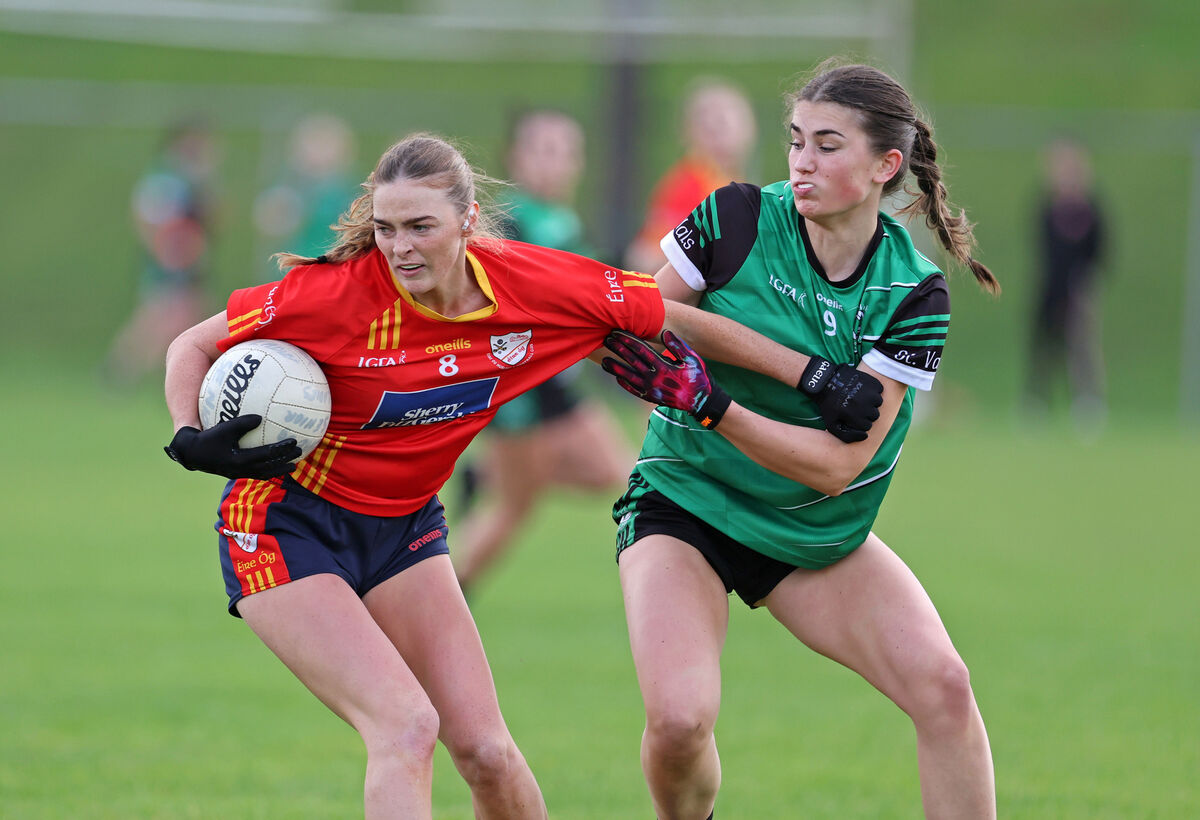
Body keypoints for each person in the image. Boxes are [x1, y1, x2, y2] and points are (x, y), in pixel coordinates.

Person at [161, 132, 884, 819]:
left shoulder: (530, 284)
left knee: (487, 753)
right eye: (385, 228)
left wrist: (813, 375)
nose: (400, 248)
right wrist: (190, 434)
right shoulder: (337, 297)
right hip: (285, 524)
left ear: (468, 220)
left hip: (406, 528)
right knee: (406, 726)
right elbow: (194, 344)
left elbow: (662, 314)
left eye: (420, 226)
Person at [600, 60, 1000, 820]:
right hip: (686, 497)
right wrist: (806, 374)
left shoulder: (912, 292)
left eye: (827, 145)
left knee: (944, 689)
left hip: (813, 527)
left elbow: (834, 467)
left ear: (886, 166)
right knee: (681, 721)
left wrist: (715, 402)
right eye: (795, 141)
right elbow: (639, 311)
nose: (802, 163)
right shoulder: (737, 218)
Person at [453, 108, 635, 592]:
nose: (556, 162)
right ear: (517, 157)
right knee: (517, 507)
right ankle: (445, 594)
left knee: (610, 474)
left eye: (566, 151)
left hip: (559, 382)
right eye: (543, 149)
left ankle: (485, 474)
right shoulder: (510, 225)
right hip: (526, 391)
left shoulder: (562, 219)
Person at [102, 118, 218, 386]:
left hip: (190, 262)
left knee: (190, 318)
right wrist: (169, 255)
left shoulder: (194, 179)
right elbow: (150, 221)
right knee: (160, 319)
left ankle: (178, 377)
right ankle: (120, 370)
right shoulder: (166, 179)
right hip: (172, 263)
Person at [624, 78, 758, 274]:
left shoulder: (729, 180)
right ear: (690, 132)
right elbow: (646, 257)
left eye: (725, 123)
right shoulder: (688, 184)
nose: (720, 134)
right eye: (711, 126)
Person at [1025, 136, 1108, 430]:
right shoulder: (1048, 208)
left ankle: (1087, 405)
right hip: (1050, 286)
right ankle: (1036, 403)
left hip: (1080, 289)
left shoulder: (1091, 210)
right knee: (1043, 345)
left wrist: (1083, 282)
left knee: (1081, 348)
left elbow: (1100, 250)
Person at [253, 113, 360, 276]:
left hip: (335, 271)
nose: (320, 154)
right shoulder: (292, 188)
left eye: (327, 146)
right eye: (314, 146)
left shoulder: (349, 190)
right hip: (296, 268)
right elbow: (270, 224)